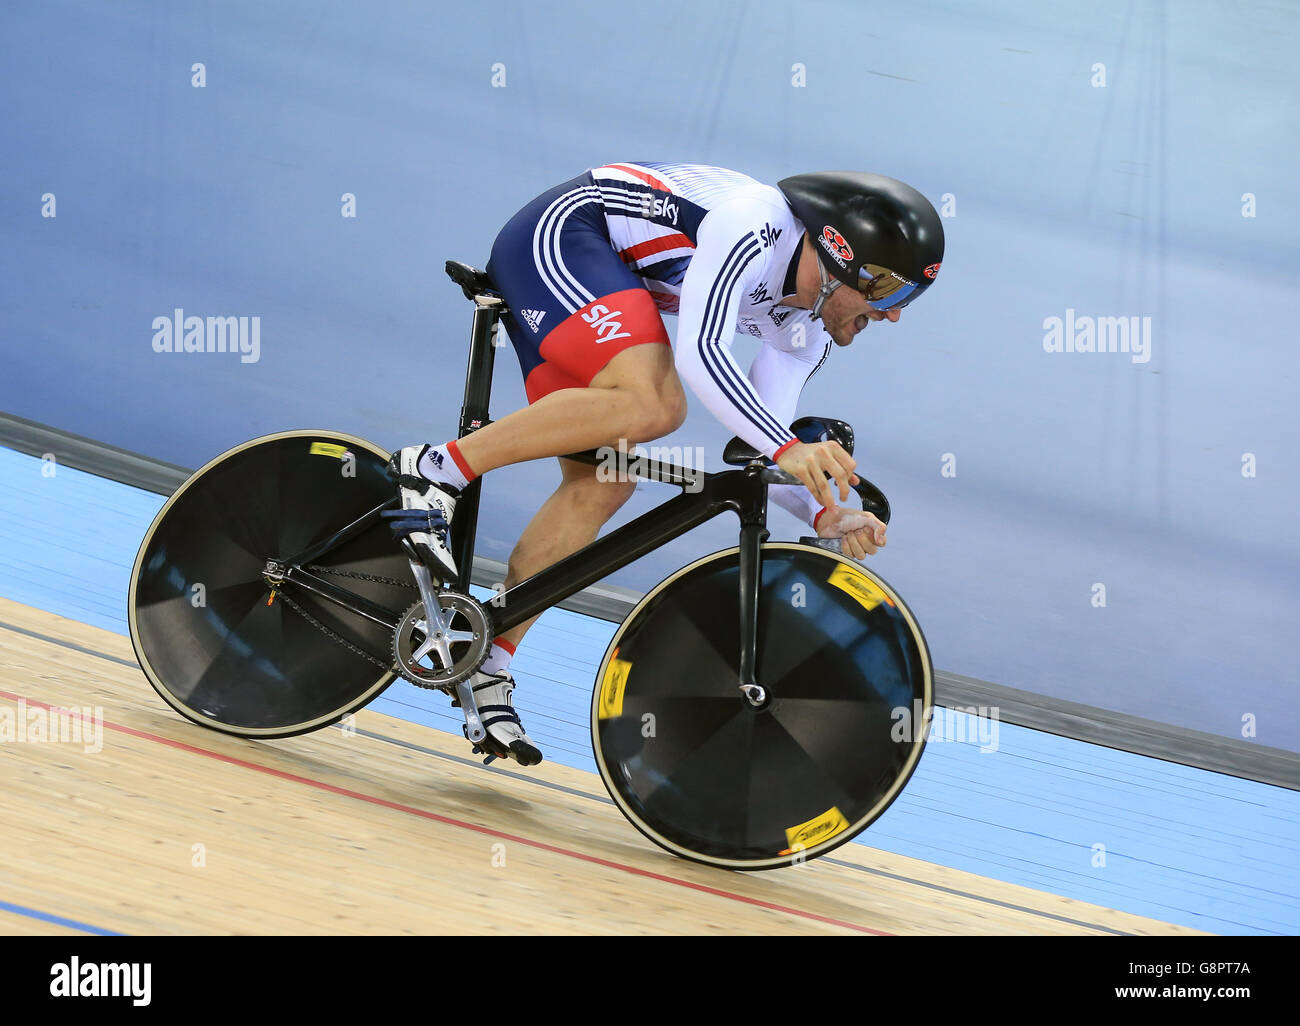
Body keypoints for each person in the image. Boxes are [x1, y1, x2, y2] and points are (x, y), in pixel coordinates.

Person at [388, 162, 945, 766]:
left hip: (612, 279)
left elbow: (767, 441)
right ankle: (436, 468)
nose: (893, 314)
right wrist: (791, 448)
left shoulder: (802, 329)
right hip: (568, 234)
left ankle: (487, 661)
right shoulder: (754, 226)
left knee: (604, 485)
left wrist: (822, 514)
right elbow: (702, 354)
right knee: (653, 403)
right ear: (841, 256)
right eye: (891, 292)